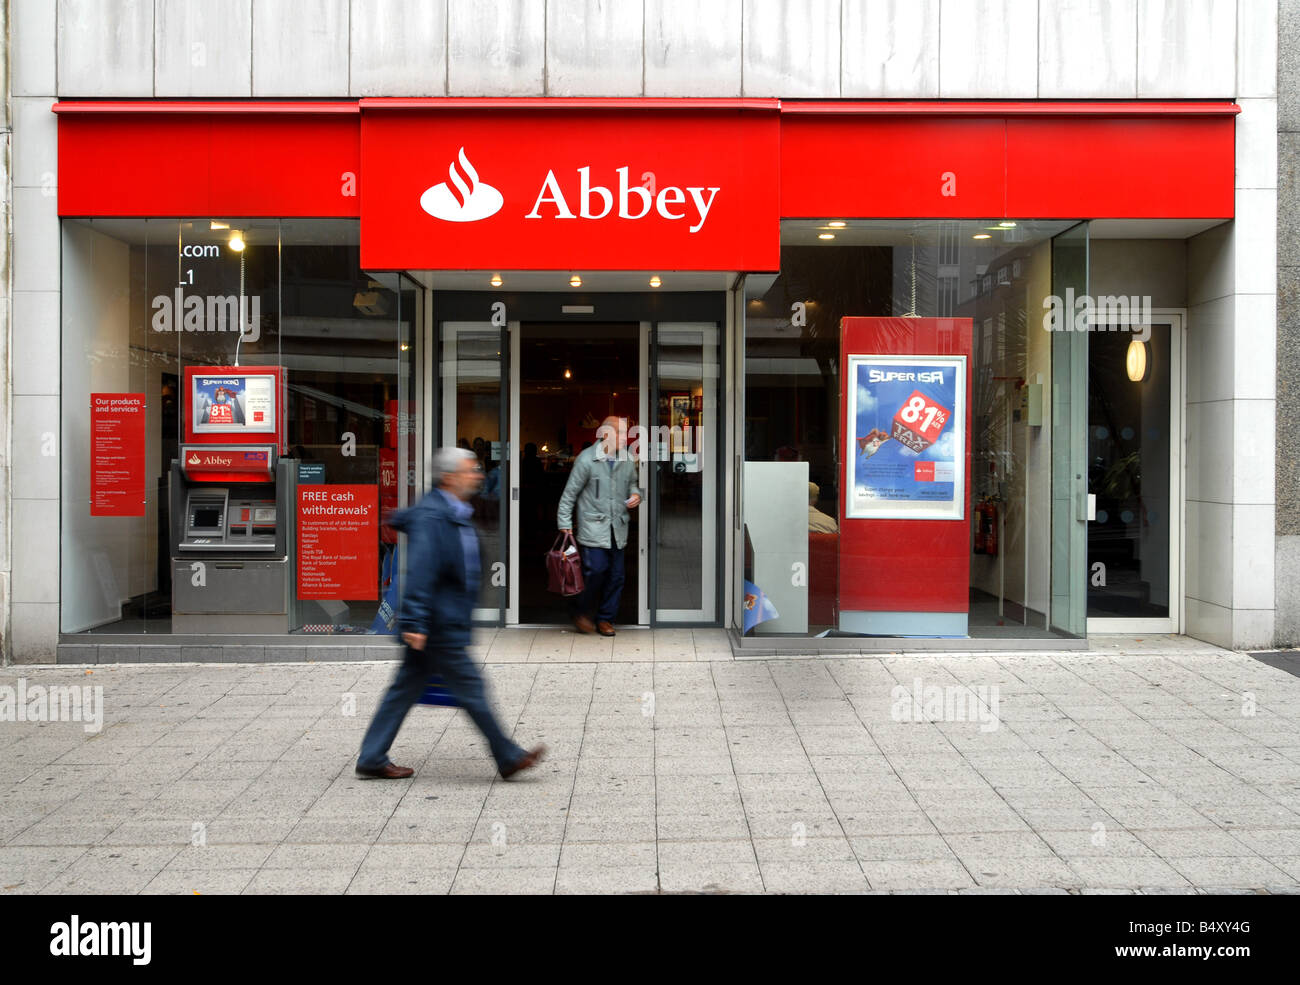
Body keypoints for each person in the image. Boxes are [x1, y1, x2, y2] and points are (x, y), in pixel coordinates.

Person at [357, 447, 545, 780]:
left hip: (439, 621)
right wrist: (414, 621)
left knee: (404, 689)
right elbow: (420, 572)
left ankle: (371, 756)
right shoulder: (435, 516)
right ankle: (507, 755)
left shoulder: (453, 510)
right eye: (469, 470)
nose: (477, 475)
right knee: (471, 688)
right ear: (449, 478)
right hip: (437, 624)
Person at [557, 416, 641, 637]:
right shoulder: (586, 460)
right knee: (596, 571)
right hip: (593, 528)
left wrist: (635, 494)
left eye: (626, 433)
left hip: (618, 528)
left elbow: (633, 483)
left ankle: (605, 619)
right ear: (606, 435)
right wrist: (564, 523)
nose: (626, 438)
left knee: (617, 576)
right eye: (621, 433)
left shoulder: (627, 459)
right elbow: (569, 495)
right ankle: (581, 611)